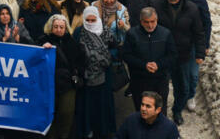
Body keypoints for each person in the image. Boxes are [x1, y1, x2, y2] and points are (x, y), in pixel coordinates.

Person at [149, 0, 205, 125]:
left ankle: (177, 110)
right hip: (162, 54)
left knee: (183, 89)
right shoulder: (155, 5)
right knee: (158, 88)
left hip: (182, 54)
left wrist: (200, 53)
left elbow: (199, 32)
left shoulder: (192, 9)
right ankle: (158, 114)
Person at [40, 13, 84, 139]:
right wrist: (42, 50)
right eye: (56, 27)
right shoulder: (43, 40)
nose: (58, 30)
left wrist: (76, 75)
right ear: (50, 27)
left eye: (61, 27)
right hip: (48, 85)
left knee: (66, 114)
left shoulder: (72, 43)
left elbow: (80, 62)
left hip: (67, 85)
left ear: (66, 28)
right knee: (49, 115)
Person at [123, 7, 175, 111]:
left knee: (159, 109)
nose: (150, 25)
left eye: (152, 21)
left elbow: (172, 55)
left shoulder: (166, 33)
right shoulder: (132, 34)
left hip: (160, 80)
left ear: (157, 19)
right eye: (146, 22)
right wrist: (144, 65)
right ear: (141, 21)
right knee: (142, 110)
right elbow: (126, 55)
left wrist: (158, 65)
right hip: (139, 80)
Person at [75, 7, 116, 139]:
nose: (91, 23)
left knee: (103, 105)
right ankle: (87, 130)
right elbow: (74, 52)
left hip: (104, 75)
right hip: (86, 77)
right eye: (88, 20)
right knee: (87, 106)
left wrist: (104, 58)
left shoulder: (105, 31)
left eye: (93, 20)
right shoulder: (79, 32)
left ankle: (104, 131)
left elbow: (115, 49)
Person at [115, 91, 180, 139]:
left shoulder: (169, 128)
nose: (143, 109)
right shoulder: (131, 120)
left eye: (148, 106)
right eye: (142, 104)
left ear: (158, 110)